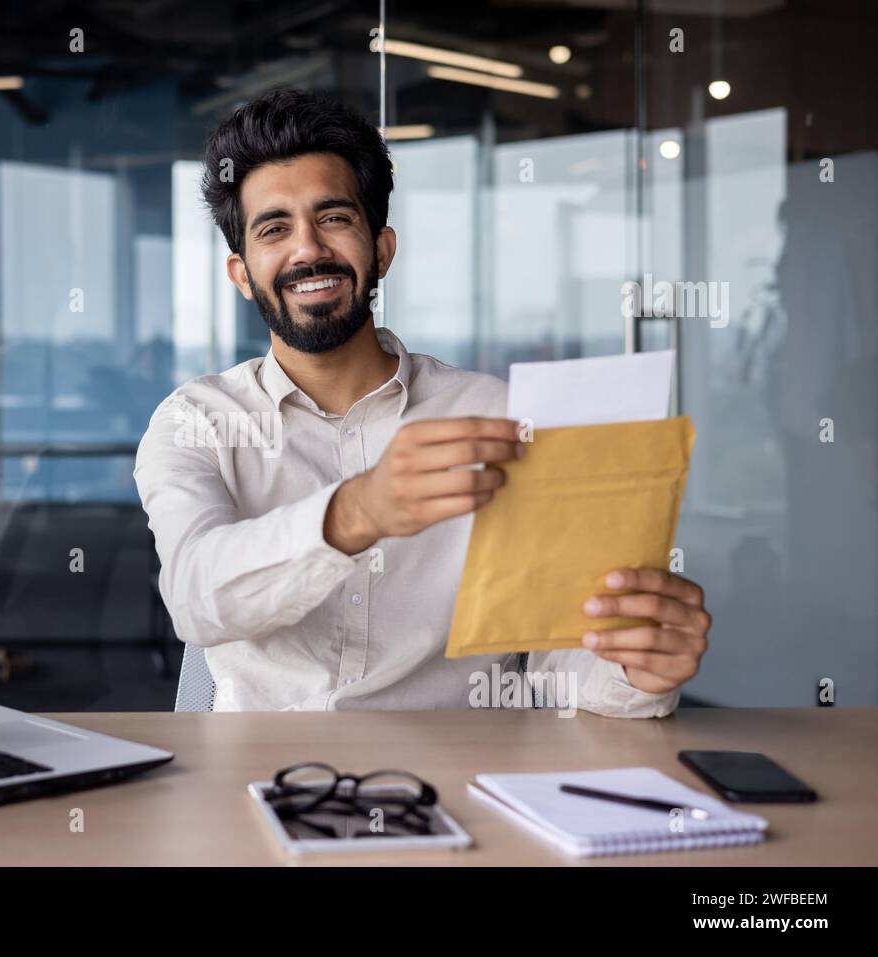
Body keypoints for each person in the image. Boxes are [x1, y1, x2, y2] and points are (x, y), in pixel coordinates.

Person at [133, 89, 710, 714]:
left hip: (457, 788)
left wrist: (636, 666)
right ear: (242, 273)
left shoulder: (501, 419)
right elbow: (195, 596)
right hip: (256, 786)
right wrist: (356, 512)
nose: (308, 249)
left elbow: (561, 664)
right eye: (275, 229)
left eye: (334, 218)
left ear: (381, 249)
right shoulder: (196, 421)